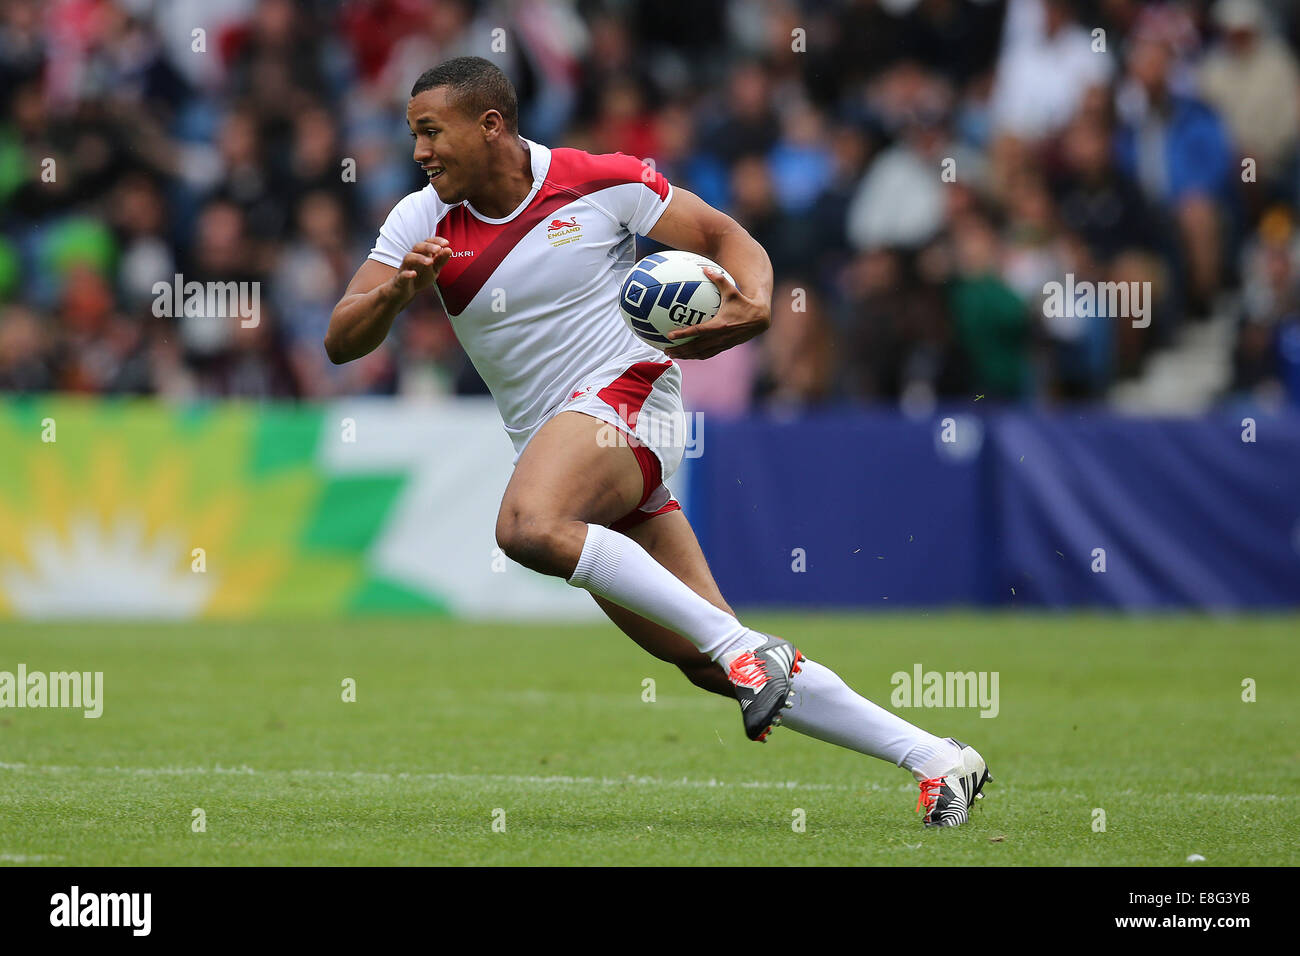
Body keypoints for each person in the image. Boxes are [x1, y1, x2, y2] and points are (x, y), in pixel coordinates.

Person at [325, 56, 990, 826]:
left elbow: (720, 233)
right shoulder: (419, 219)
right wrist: (395, 294)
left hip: (633, 394)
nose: (420, 153)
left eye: (430, 132)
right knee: (710, 660)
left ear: (491, 125)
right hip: (563, 441)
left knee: (525, 525)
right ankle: (938, 758)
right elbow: (344, 337)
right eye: (414, 136)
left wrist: (756, 306)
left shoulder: (595, 178)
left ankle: (750, 651)